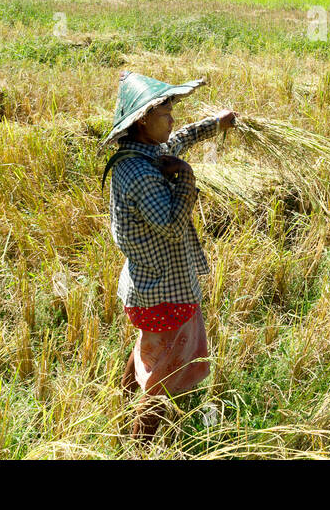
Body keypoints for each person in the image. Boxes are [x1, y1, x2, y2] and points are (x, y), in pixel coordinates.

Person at [99, 71, 236, 437]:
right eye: (165, 114)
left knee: (152, 347)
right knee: (169, 371)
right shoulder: (142, 173)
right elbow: (173, 227)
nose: (172, 120)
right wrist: (188, 177)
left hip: (148, 286)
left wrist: (215, 124)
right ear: (143, 119)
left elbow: (178, 139)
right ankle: (139, 441)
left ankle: (123, 395)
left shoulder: (145, 153)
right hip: (165, 293)